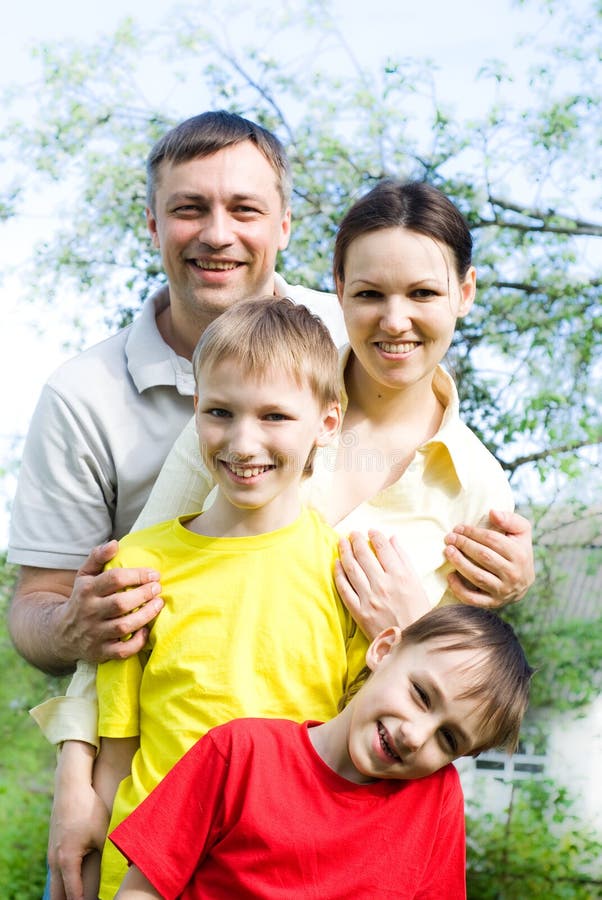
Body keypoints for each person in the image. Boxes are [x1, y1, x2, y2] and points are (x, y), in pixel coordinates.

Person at [8, 112, 533, 682]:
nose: (216, 233)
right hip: (172, 732)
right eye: (189, 208)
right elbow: (43, 598)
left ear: (283, 224)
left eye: (244, 208)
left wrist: (505, 583)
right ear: (154, 226)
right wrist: (74, 633)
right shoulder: (82, 395)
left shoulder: (361, 328)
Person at [88, 297, 369, 899]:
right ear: (196, 410)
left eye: (274, 417)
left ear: (326, 422)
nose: (243, 443)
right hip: (146, 879)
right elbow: (117, 752)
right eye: (220, 411)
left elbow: (349, 759)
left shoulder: (345, 573)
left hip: (275, 876)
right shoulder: (141, 564)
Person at [110, 605, 534, 900]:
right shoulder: (240, 753)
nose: (416, 736)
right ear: (384, 651)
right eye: (421, 695)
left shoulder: (436, 799)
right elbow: (144, 890)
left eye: (448, 740)